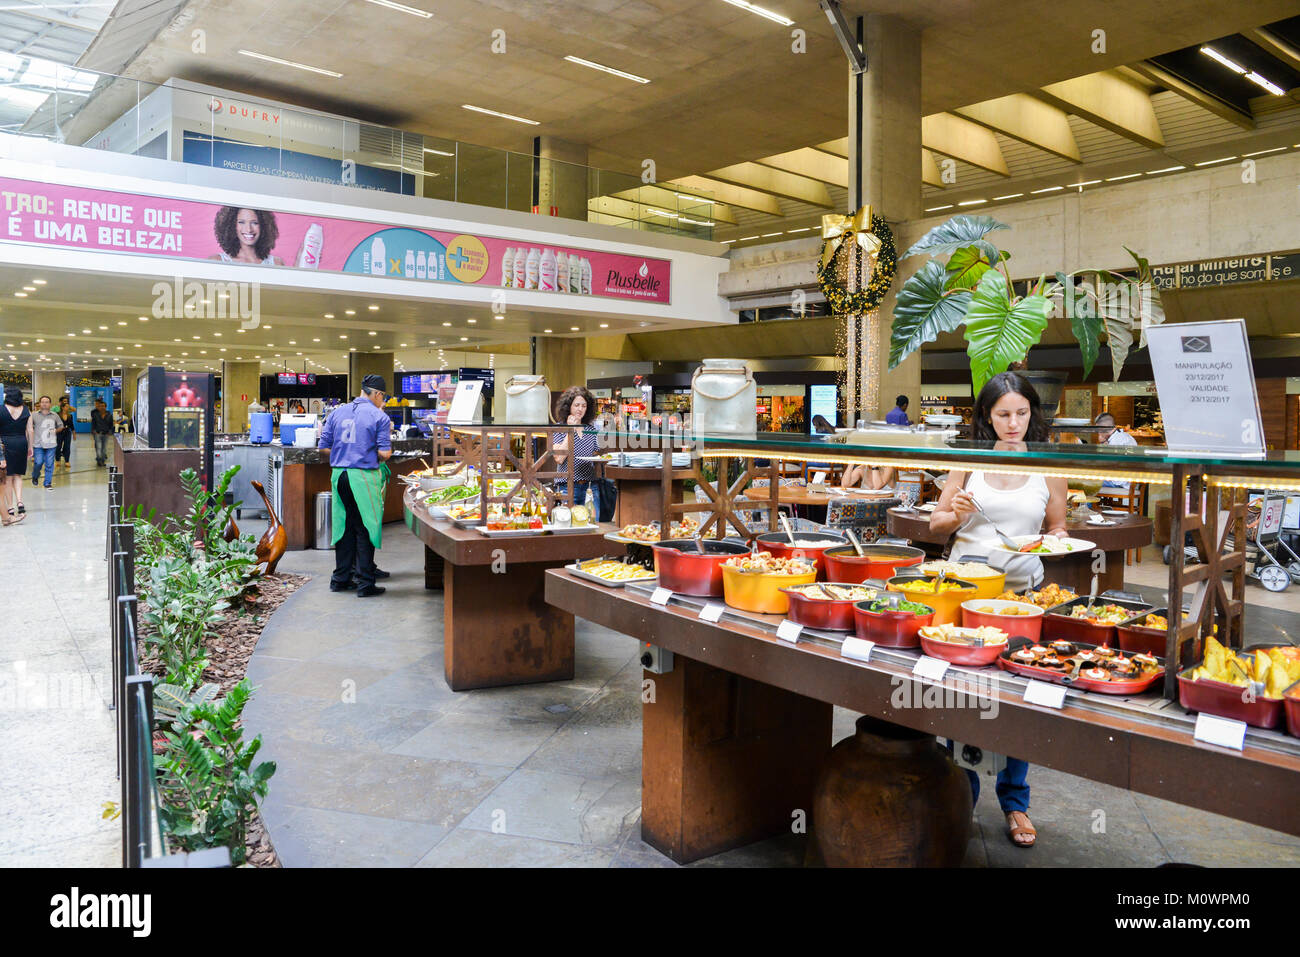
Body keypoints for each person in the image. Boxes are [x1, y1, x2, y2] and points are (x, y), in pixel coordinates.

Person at [928, 371, 1068, 850]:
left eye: (1022, 413)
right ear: (987, 416)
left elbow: (1058, 527)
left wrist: (1061, 541)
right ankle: (961, 797)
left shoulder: (1048, 463)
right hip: (965, 594)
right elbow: (937, 521)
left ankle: (1015, 801)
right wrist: (959, 513)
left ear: (1033, 413)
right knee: (961, 696)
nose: (1014, 423)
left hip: (1020, 598)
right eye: (1004, 414)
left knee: (1019, 700)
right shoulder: (967, 460)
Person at [318, 375, 393, 597]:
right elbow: (385, 453)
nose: (383, 401)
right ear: (377, 394)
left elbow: (323, 449)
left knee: (344, 527)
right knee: (365, 528)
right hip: (363, 477)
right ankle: (365, 584)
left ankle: (340, 579)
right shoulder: (379, 416)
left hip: (339, 475)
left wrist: (345, 455)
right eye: (384, 397)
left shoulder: (336, 412)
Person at [550, 386, 604, 518]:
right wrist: (571, 430)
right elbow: (559, 458)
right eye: (577, 405)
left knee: (593, 524)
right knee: (567, 525)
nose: (580, 409)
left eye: (584, 406)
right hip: (566, 486)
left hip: (590, 487)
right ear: (569, 407)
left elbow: (596, 454)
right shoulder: (559, 428)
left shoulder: (590, 429)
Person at [209, 207, 286, 265]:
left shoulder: (276, 263)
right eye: (241, 222)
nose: (249, 229)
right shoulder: (217, 261)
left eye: (254, 223)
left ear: (264, 226)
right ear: (231, 225)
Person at [1, 387, 29, 519]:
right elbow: (30, 430)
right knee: (18, 475)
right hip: (22, 443)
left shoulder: (1, 409)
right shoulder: (25, 409)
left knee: (7, 477)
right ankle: (20, 502)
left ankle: (10, 507)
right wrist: (31, 447)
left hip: (6, 443)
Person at [1095, 412, 1137, 491]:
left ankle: (1089, 504)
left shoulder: (1115, 442)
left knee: (1085, 482)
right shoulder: (1123, 436)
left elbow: (1104, 465)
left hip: (1119, 482)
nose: (1098, 432)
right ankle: (1093, 503)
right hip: (1127, 481)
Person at [28, 395, 63, 490]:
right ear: (39, 404)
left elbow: (61, 426)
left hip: (51, 444)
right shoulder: (33, 415)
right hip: (38, 443)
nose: (44, 403)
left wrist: (56, 430)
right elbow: (29, 428)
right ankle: (35, 475)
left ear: (50, 404)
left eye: (47, 402)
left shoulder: (55, 415)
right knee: (38, 462)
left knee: (49, 463)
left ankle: (47, 483)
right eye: (42, 402)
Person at [91, 399, 114, 467]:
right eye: (100, 406)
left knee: (104, 449)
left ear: (105, 407)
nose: (102, 407)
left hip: (106, 434)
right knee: (98, 448)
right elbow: (93, 423)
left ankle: (102, 460)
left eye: (103, 406)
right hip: (98, 433)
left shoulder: (109, 415)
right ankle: (99, 460)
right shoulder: (95, 414)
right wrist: (94, 431)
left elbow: (111, 424)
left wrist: (110, 432)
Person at [55, 397, 75, 472]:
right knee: (58, 446)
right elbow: (54, 424)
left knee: (67, 446)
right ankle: (57, 460)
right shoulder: (57, 415)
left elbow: (72, 425)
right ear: (62, 407)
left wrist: (74, 433)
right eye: (66, 406)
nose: (68, 408)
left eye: (68, 406)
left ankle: (67, 461)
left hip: (67, 433)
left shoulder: (70, 416)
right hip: (59, 432)